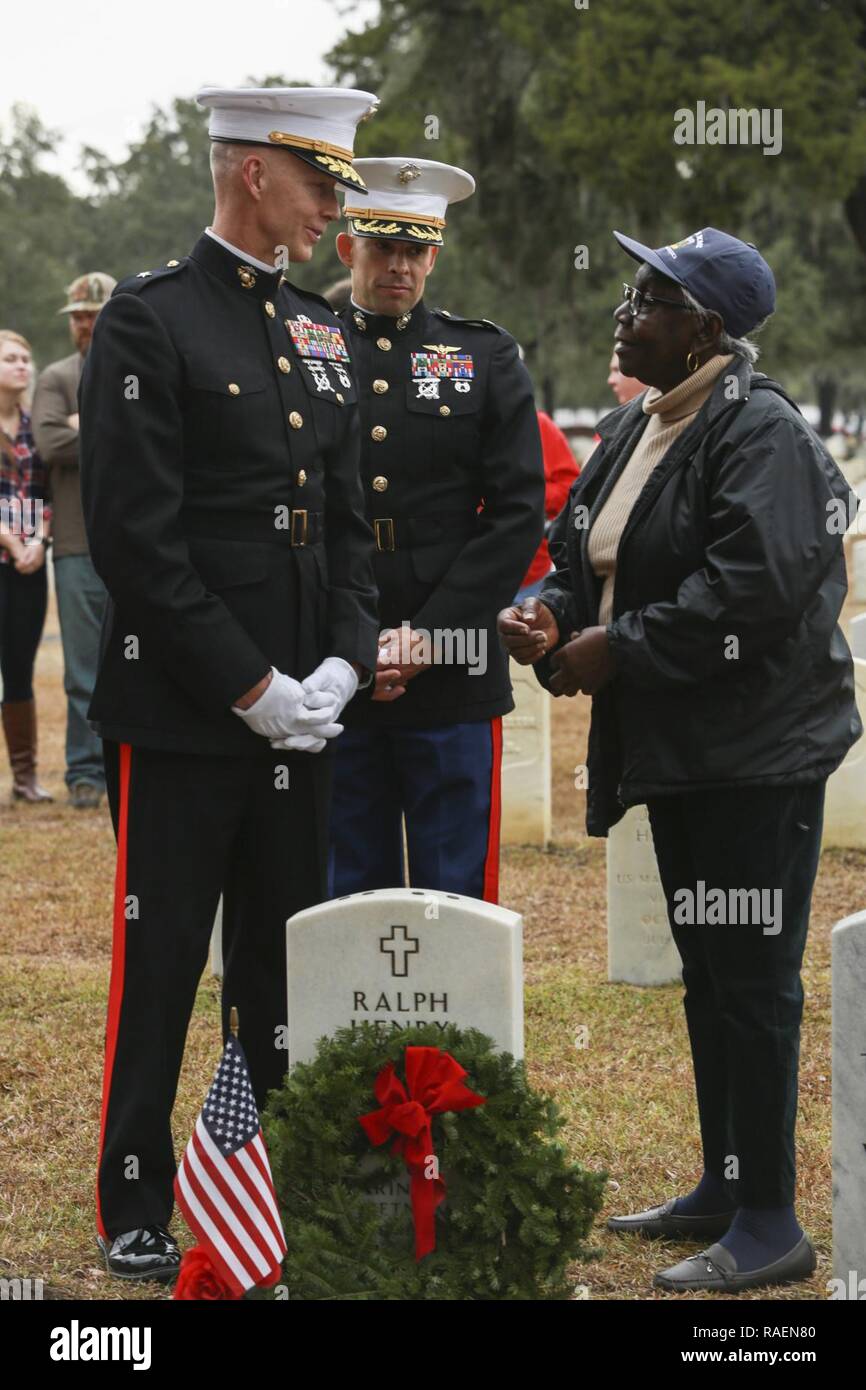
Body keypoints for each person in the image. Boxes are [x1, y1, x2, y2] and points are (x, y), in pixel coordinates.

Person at [498, 227, 862, 1294]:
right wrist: (550, 613)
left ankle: (768, 1222)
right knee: (708, 975)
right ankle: (722, 1182)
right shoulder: (633, 426)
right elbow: (584, 557)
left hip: (754, 753)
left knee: (750, 982)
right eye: (627, 288)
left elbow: (750, 590)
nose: (623, 309)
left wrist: (620, 648)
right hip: (682, 748)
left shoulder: (763, 435)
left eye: (648, 296)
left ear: (705, 327)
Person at [79, 85, 381, 1282]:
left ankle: (265, 1172)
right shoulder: (151, 324)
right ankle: (137, 1197)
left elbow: (353, 529)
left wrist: (343, 664)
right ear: (252, 171)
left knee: (279, 958)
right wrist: (252, 684)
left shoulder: (317, 328)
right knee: (162, 958)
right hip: (188, 712)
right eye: (319, 186)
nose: (333, 214)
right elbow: (137, 543)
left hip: (303, 714)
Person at [329, 157, 544, 901]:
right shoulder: (306, 349)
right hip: (333, 656)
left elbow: (517, 510)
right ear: (346, 248)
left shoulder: (485, 356)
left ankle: (454, 1026)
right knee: (346, 884)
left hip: (451, 663)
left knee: (457, 894)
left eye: (415, 249)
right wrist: (356, 644)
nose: (400, 265)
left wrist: (430, 633)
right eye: (383, 245)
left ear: (434, 256)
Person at [32, 273, 116, 809]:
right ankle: (85, 772)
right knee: (83, 666)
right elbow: (48, 441)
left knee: (132, 664)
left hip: (134, 543)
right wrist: (113, 429)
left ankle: (124, 765)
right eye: (76, 316)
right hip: (76, 542)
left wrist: (88, 425)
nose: (82, 323)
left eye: (91, 313)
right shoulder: (57, 377)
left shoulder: (136, 366)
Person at [0, 330, 53, 803]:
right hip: (6, 555)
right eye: (10, 358)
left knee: (19, 667)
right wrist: (11, 544)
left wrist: (36, 541)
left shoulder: (35, 427)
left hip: (27, 567)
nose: (21, 365)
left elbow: (43, 494)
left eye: (25, 358)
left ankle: (25, 777)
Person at [515, 409, 578, 602]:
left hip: (529, 577)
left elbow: (572, 490)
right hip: (469, 573)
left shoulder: (538, 423)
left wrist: (521, 496)